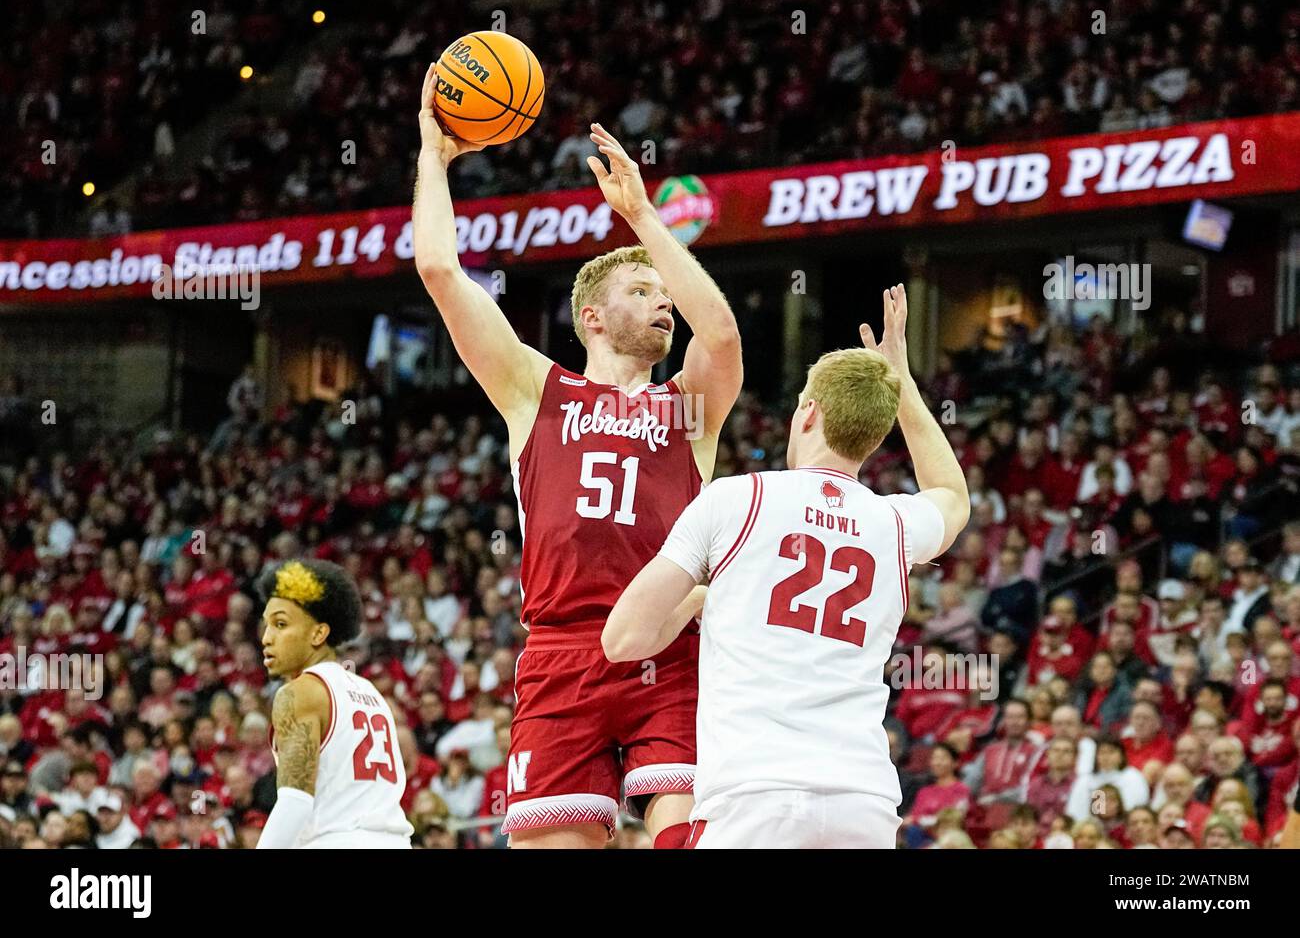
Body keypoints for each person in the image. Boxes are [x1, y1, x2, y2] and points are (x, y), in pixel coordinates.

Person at [413, 64, 742, 849]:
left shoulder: (688, 410)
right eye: (642, 289)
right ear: (591, 315)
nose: (664, 299)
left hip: (673, 643)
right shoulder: (535, 390)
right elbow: (438, 270)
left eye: (666, 292)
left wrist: (643, 222)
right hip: (563, 652)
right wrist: (433, 152)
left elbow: (722, 335)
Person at [604, 284, 970, 847]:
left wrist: (702, 600)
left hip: (754, 795)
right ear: (876, 433)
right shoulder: (893, 524)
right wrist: (904, 385)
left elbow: (623, 638)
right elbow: (951, 493)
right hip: (863, 800)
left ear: (808, 411)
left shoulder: (737, 498)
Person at [256, 559, 413, 848]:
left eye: (280, 624)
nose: (266, 638)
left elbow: (295, 802)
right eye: (266, 625)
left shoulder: (298, 692)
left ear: (318, 633)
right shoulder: (371, 693)